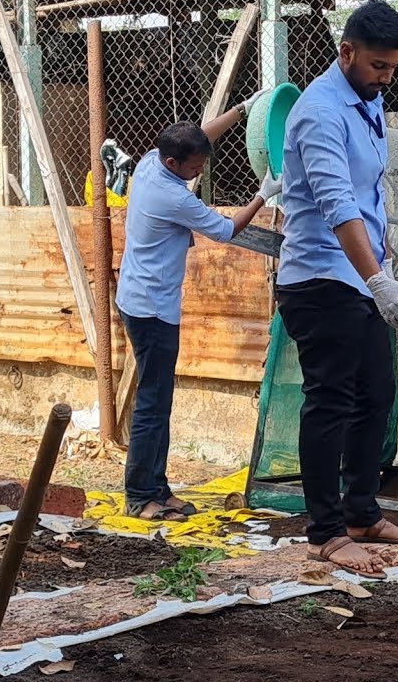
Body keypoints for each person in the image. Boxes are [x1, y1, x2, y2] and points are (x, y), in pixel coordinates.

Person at [276, 0, 398, 580]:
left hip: (360, 280)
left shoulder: (368, 99)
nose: (387, 77)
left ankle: (362, 513)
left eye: (393, 68)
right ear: (346, 53)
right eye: (378, 67)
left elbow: (373, 197)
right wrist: (377, 278)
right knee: (332, 401)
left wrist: (380, 274)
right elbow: (339, 206)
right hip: (321, 279)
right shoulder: (319, 113)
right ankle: (326, 533)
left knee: (377, 396)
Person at [116, 96, 281, 522]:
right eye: (195, 167)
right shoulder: (172, 196)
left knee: (160, 400)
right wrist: (263, 194)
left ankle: (159, 487)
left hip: (143, 298)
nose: (200, 172)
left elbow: (202, 135)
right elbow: (226, 230)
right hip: (151, 308)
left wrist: (244, 110)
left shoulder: (153, 160)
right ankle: (140, 496)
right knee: (153, 404)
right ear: (174, 164)